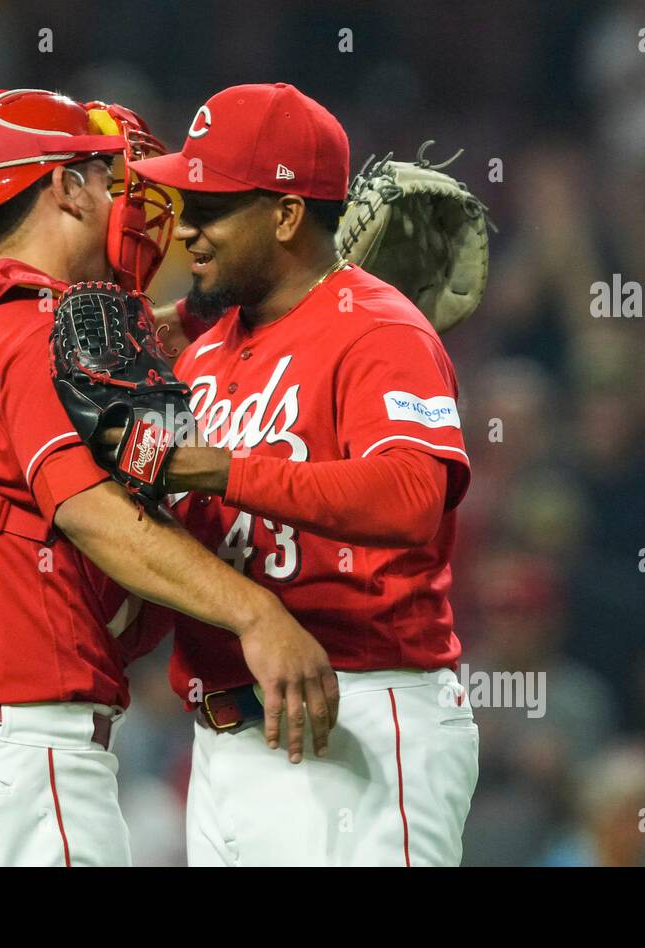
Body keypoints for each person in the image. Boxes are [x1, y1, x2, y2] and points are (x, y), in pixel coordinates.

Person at [0, 87, 337, 867]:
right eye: (109, 179)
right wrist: (257, 615)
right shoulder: (34, 329)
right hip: (16, 771)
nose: (131, 202)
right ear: (61, 188)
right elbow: (93, 515)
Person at [128, 82, 479, 866]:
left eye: (212, 208)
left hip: (356, 710)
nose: (188, 229)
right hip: (224, 736)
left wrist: (220, 469)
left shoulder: (381, 330)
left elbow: (411, 496)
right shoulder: (209, 345)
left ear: (287, 214)